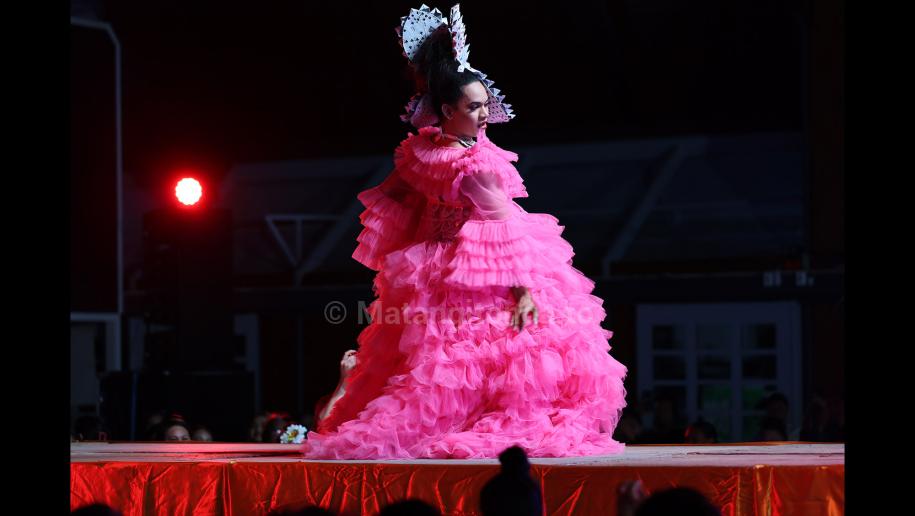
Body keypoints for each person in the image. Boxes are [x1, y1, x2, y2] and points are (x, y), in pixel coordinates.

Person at [302, 4, 627, 459]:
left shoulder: (426, 151)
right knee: (486, 355)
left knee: (449, 358)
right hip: (475, 272)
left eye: (484, 106)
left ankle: (458, 422)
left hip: (436, 268)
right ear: (448, 110)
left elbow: (398, 202)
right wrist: (523, 292)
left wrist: (416, 251)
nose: (484, 115)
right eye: (474, 107)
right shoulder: (472, 162)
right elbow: (499, 228)